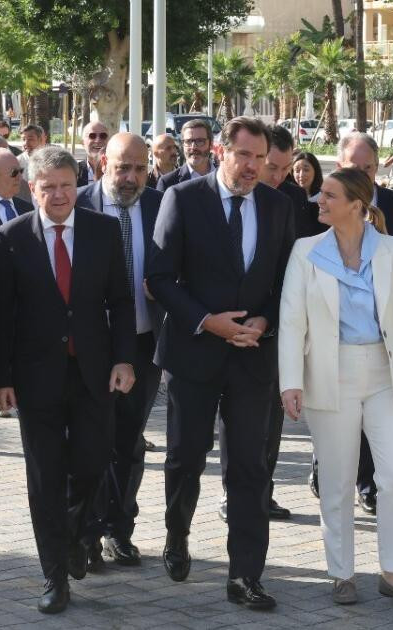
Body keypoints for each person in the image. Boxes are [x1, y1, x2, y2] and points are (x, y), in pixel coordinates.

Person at [146, 116, 295, 610]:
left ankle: (245, 575)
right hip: (194, 355)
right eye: (245, 156)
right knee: (186, 458)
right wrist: (208, 321)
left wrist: (264, 323)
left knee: (250, 467)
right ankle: (177, 533)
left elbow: (285, 283)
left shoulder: (277, 205)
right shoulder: (184, 199)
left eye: (260, 157)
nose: (254, 166)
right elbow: (161, 277)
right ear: (220, 152)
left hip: (253, 360)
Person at [278, 167, 393, 608]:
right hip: (331, 376)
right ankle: (341, 573)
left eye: (328, 195)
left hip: (388, 376)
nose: (318, 202)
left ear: (355, 204)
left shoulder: (391, 249)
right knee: (337, 479)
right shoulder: (305, 251)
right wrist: (290, 382)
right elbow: (292, 322)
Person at [0, 145, 136, 614]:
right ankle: (55, 575)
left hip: (94, 372)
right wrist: (2, 378)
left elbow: (121, 301)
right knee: (45, 478)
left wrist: (124, 359)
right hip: (36, 379)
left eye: (66, 185)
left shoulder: (103, 230)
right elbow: (2, 317)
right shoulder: (9, 237)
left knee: (94, 463)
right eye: (48, 186)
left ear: (79, 186)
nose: (58, 195)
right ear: (30, 188)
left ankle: (76, 534)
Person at [75, 133, 166, 569]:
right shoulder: (76, 205)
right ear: (101, 164)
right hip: (88, 349)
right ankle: (85, 532)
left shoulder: (161, 206)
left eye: (140, 168)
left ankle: (119, 529)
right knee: (89, 442)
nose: (131, 178)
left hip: (145, 344)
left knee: (129, 444)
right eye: (122, 168)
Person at [316, 131, 393, 515]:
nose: (362, 173)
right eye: (353, 167)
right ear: (339, 166)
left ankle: (368, 482)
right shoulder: (323, 205)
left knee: (374, 423)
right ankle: (324, 466)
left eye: (369, 168)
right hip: (332, 341)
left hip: (378, 342)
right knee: (337, 426)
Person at [213, 124, 308, 526]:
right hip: (212, 336)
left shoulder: (287, 201)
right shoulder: (209, 198)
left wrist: (267, 318)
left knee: (267, 425)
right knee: (231, 430)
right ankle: (234, 495)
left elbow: (289, 272)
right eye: (272, 167)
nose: (276, 176)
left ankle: (259, 494)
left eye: (285, 169)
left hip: (267, 337)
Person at [156, 119, 216, 191]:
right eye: (188, 141)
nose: (193, 147)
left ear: (211, 144)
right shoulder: (168, 183)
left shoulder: (226, 175)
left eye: (200, 141)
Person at [77, 120, 110, 186]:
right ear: (82, 143)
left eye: (103, 136)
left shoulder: (118, 171)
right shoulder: (74, 172)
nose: (98, 140)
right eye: (92, 136)